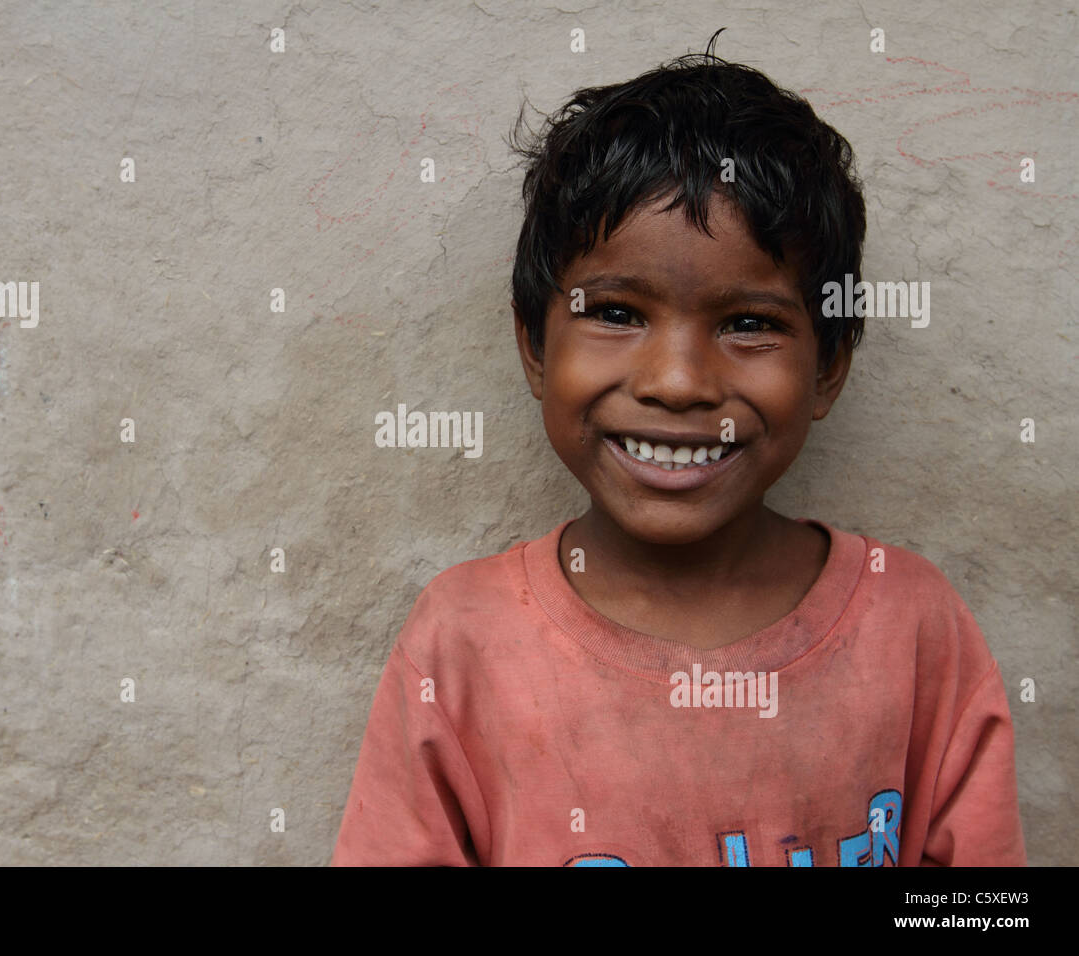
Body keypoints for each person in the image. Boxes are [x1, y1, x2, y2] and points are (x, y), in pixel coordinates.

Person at [331, 33, 1027, 866]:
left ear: (829, 368)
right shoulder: (464, 642)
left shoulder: (913, 628)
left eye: (750, 324)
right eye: (617, 313)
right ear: (533, 348)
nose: (678, 381)